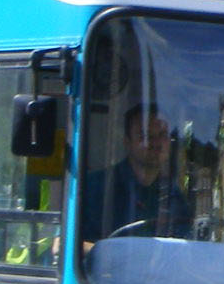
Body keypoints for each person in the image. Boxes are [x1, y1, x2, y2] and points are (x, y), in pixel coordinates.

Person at [81, 103, 196, 240]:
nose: (155, 143)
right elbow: (73, 244)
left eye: (162, 135)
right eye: (145, 135)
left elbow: (184, 249)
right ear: (127, 142)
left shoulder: (174, 197)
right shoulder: (94, 188)